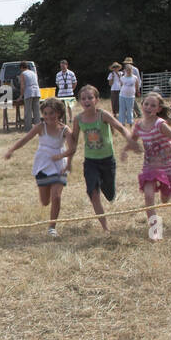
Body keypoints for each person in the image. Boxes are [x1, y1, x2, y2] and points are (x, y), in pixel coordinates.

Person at [59, 85, 132, 232]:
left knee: (110, 194)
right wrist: (69, 162)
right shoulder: (78, 119)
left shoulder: (102, 115)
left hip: (107, 160)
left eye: (90, 97)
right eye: (83, 98)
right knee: (93, 192)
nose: (86, 101)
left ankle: (109, 192)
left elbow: (120, 127)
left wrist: (130, 140)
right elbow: (73, 143)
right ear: (80, 101)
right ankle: (105, 228)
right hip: (91, 161)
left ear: (97, 100)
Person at [4, 98, 72, 238]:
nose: (48, 117)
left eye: (52, 113)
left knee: (56, 197)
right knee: (45, 201)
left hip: (59, 165)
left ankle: (52, 227)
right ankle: (49, 211)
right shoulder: (40, 127)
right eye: (45, 114)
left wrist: (67, 161)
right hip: (42, 164)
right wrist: (11, 150)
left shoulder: (65, 130)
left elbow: (72, 149)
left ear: (59, 113)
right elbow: (25, 139)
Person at [124, 92, 171, 241]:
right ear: (142, 105)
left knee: (164, 199)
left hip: (167, 166)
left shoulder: (160, 124)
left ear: (158, 109)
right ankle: (155, 229)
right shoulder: (138, 125)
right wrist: (126, 150)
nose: (148, 107)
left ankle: (167, 191)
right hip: (149, 166)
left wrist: (164, 153)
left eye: (153, 105)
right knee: (148, 196)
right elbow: (133, 140)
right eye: (146, 104)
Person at [117, 58, 139, 127]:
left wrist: (136, 91)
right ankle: (122, 123)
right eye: (127, 70)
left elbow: (137, 86)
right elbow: (121, 85)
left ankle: (130, 123)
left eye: (130, 70)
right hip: (122, 95)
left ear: (132, 70)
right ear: (125, 70)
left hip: (131, 96)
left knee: (130, 110)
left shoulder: (135, 77)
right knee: (122, 109)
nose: (129, 71)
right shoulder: (122, 78)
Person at [19, 62, 41, 131]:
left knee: (28, 111)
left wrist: (21, 96)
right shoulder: (33, 73)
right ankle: (38, 127)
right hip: (37, 92)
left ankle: (28, 128)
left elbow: (22, 86)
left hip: (29, 93)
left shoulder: (23, 74)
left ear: (21, 67)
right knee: (36, 111)